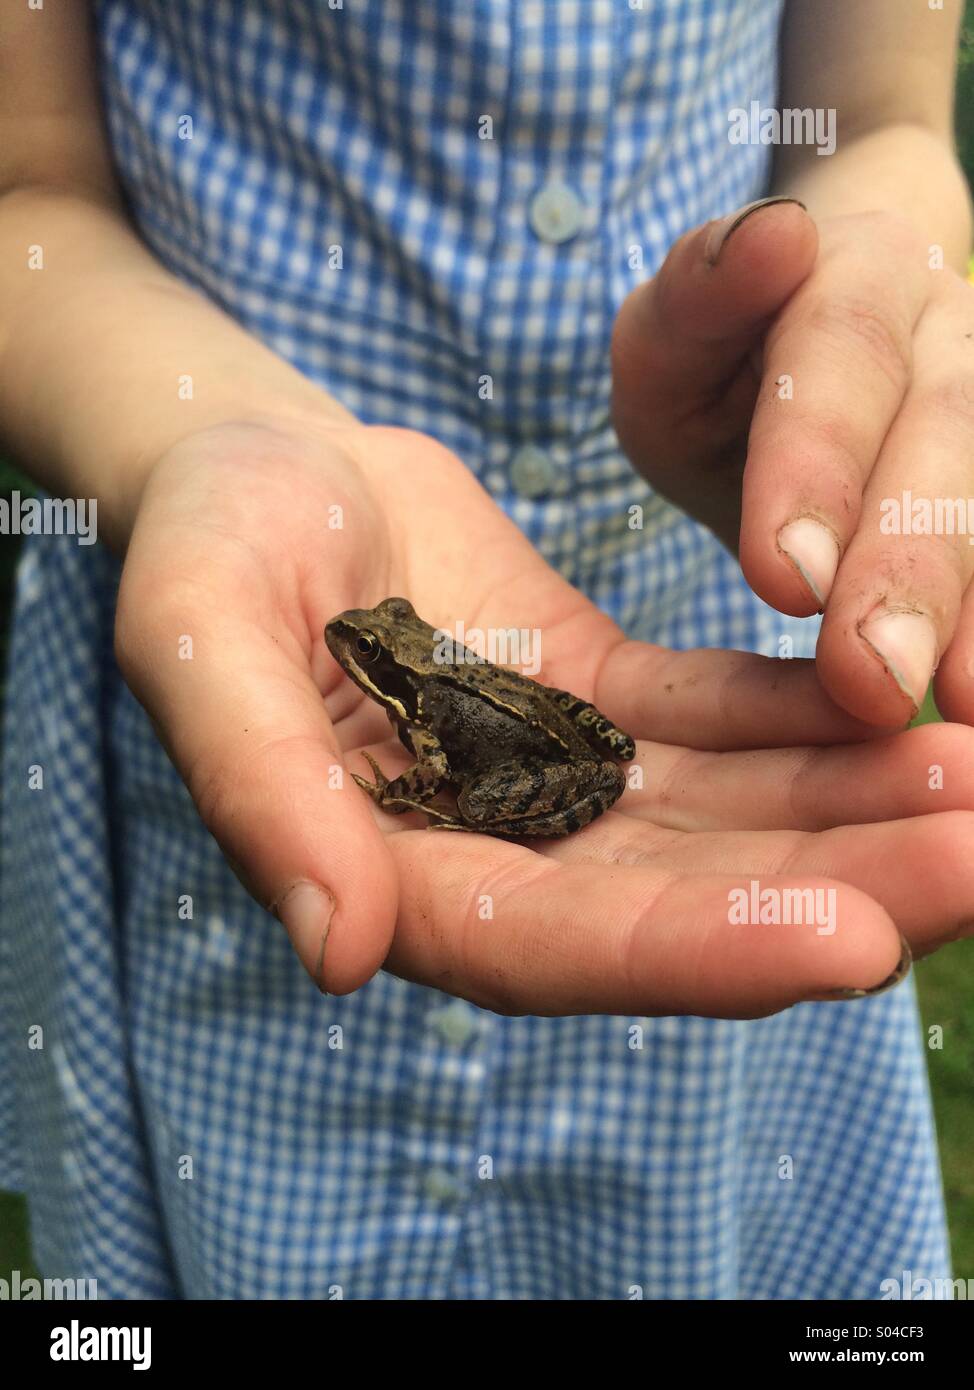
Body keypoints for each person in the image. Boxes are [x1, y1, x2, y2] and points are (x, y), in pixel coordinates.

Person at [1, 0, 971, 1299]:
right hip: (221, 746)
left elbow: (883, 127)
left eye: (378, 661)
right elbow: (28, 190)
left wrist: (847, 308)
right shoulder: (377, 650)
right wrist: (191, 439)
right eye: (374, 659)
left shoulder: (408, 697)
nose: (365, 661)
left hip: (667, 632)